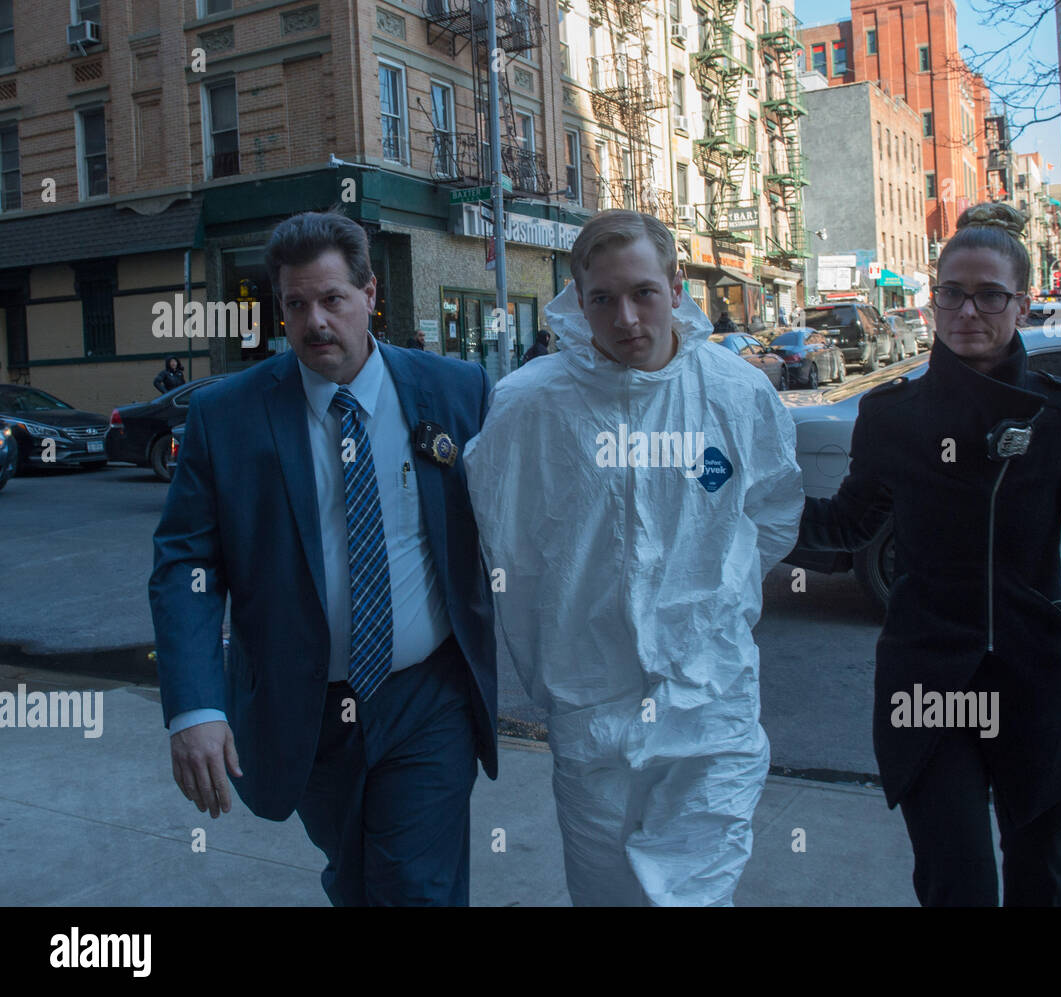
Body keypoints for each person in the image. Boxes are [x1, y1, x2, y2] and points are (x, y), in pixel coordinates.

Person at [797, 202, 1061, 906]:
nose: (967, 310)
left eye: (989, 295)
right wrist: (743, 506)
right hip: (928, 685)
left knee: (1040, 883)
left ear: (1022, 303)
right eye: (951, 292)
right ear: (933, 299)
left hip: (1036, 684)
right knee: (959, 883)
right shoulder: (892, 414)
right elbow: (849, 523)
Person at [150, 210, 498, 906]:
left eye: (332, 299)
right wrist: (195, 706)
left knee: (413, 886)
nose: (315, 322)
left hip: (425, 695)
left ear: (370, 294)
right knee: (356, 876)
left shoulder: (455, 392)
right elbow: (184, 563)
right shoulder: (229, 416)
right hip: (304, 704)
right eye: (296, 304)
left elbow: (523, 504)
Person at [463, 210, 803, 906]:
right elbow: (504, 541)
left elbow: (771, 514)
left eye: (643, 292)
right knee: (610, 890)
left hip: (712, 698)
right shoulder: (532, 406)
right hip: (592, 705)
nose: (625, 318)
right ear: (576, 298)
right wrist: (559, 657)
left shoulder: (735, 395)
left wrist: (712, 601)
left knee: (697, 890)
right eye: (602, 299)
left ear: (676, 286)